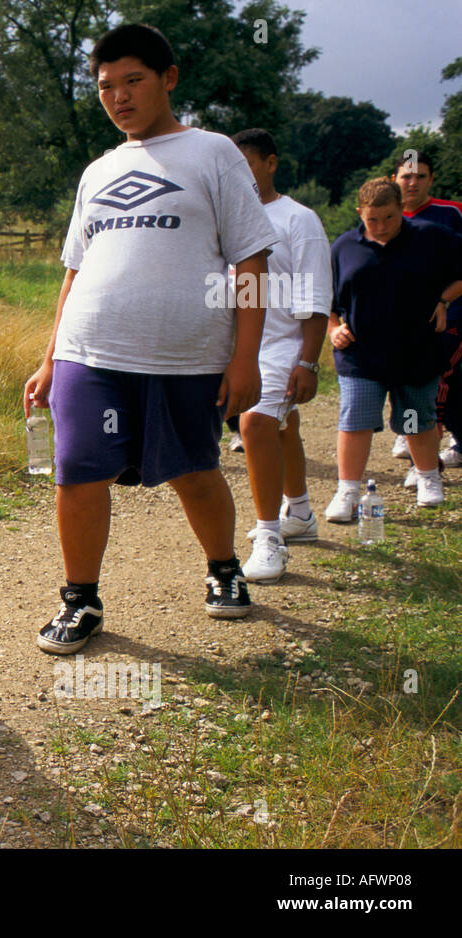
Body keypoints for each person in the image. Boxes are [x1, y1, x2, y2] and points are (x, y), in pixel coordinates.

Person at [24, 23, 276, 655]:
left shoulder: (213, 153)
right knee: (78, 473)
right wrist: (50, 358)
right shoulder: (98, 170)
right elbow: (74, 271)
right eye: (106, 87)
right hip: (90, 352)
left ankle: (224, 570)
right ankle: (80, 601)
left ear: (168, 78)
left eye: (133, 81)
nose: (119, 97)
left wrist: (245, 358)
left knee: (193, 470)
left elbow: (251, 263)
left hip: (184, 355)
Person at [324, 177, 462, 520]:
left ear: (402, 209)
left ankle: (428, 477)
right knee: (355, 418)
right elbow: (327, 303)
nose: (381, 227)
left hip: (415, 354)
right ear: (360, 214)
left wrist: (444, 299)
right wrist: (334, 329)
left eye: (389, 217)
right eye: (372, 220)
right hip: (361, 357)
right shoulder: (344, 247)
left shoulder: (431, 238)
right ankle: (348, 492)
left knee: (414, 419)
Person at [230, 129, 333, 583]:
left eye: (248, 165)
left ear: (271, 163)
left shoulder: (298, 219)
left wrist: (308, 361)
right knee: (281, 426)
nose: (240, 177)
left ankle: (269, 536)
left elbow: (313, 293)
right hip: (240, 347)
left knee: (254, 423)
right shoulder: (225, 220)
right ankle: (302, 515)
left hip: (282, 346)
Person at [393, 152, 462, 472]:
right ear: (395, 180)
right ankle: (410, 438)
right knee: (405, 386)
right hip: (400, 323)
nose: (413, 182)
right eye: (407, 176)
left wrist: (444, 300)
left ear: (431, 180)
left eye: (421, 176)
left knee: (438, 388)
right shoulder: (383, 216)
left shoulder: (452, 213)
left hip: (450, 318)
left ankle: (427, 464)